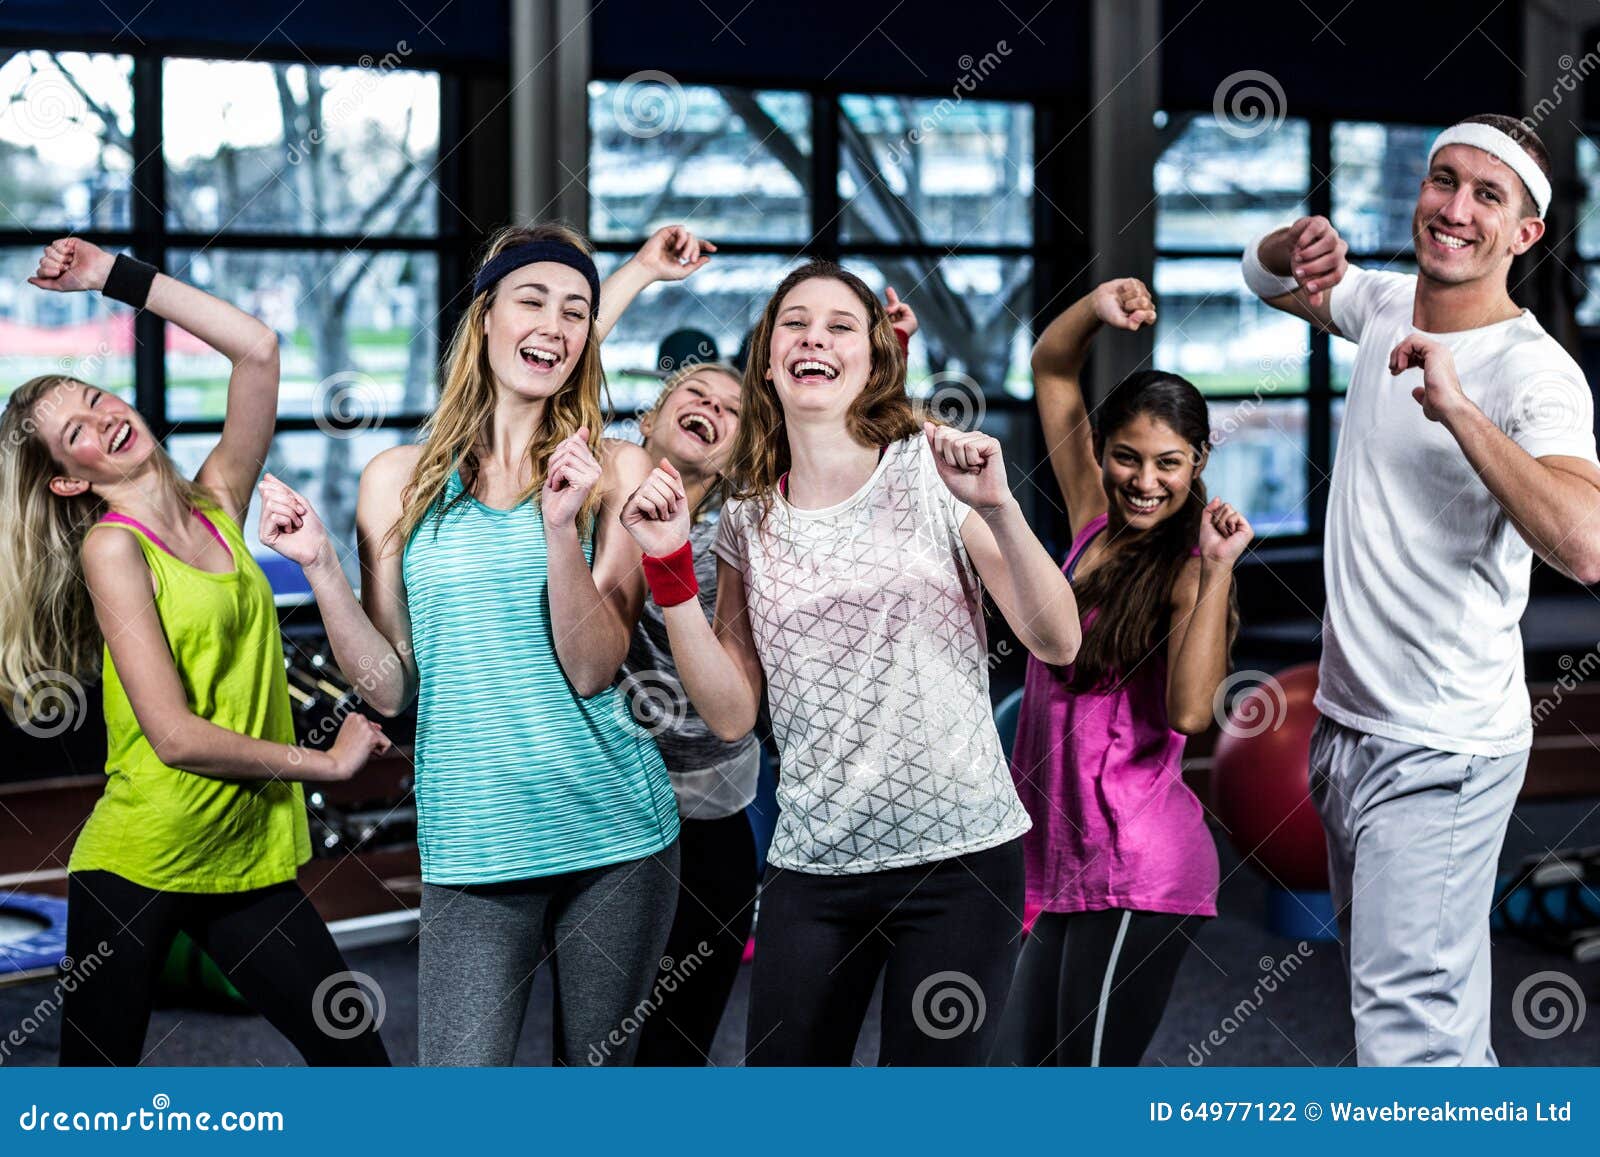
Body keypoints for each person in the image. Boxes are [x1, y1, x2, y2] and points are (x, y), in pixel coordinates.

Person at [255, 222, 713, 1066]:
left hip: (615, 835)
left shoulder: (612, 470)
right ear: (484, 318)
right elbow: (391, 686)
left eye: (576, 311)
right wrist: (320, 566)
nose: (556, 323)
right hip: (475, 839)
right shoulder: (396, 480)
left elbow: (592, 665)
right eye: (531, 301)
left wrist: (557, 529)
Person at [620, 259, 1080, 1065]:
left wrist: (1000, 508)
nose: (815, 338)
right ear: (768, 357)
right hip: (814, 863)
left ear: (871, 356)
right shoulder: (748, 521)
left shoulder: (930, 469)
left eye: (839, 325)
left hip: (960, 861)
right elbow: (730, 713)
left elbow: (1058, 639)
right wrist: (668, 575)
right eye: (795, 322)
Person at [1244, 114, 1600, 1065]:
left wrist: (1458, 412)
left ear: (1524, 232)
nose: (1455, 208)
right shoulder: (1386, 304)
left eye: (1489, 196)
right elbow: (1266, 276)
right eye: (1444, 180)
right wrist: (1293, 243)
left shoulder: (1535, 372)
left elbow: (1585, 542)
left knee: (1408, 1043)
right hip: (1349, 727)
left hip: (1439, 747)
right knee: (1418, 1025)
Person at [0, 237, 391, 1067]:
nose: (108, 417)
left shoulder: (217, 501)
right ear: (69, 477)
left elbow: (257, 348)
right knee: (91, 1100)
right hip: (146, 856)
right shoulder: (114, 547)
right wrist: (324, 763)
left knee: (357, 1060)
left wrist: (113, 276)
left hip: (243, 852)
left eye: (100, 399)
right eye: (80, 430)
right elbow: (173, 735)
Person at [629, 292, 919, 1065]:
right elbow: (562, 357)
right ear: (646, 421)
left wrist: (888, 359)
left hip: (714, 814)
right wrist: (646, 271)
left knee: (679, 1039)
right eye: (695, 394)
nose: (712, 407)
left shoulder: (743, 530)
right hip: (614, 813)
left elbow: (858, 456)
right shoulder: (594, 499)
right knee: (597, 1036)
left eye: (730, 407)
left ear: (738, 450)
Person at [993, 277, 1251, 1067]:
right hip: (1064, 857)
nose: (1146, 481)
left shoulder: (1187, 569)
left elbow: (1189, 713)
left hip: (1140, 863)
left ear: (1200, 458)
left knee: (1089, 1084)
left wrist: (1217, 573)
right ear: (1100, 452)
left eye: (1170, 463)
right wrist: (1095, 307)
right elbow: (1051, 368)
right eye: (1127, 457)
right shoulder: (1091, 522)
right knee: (1023, 1074)